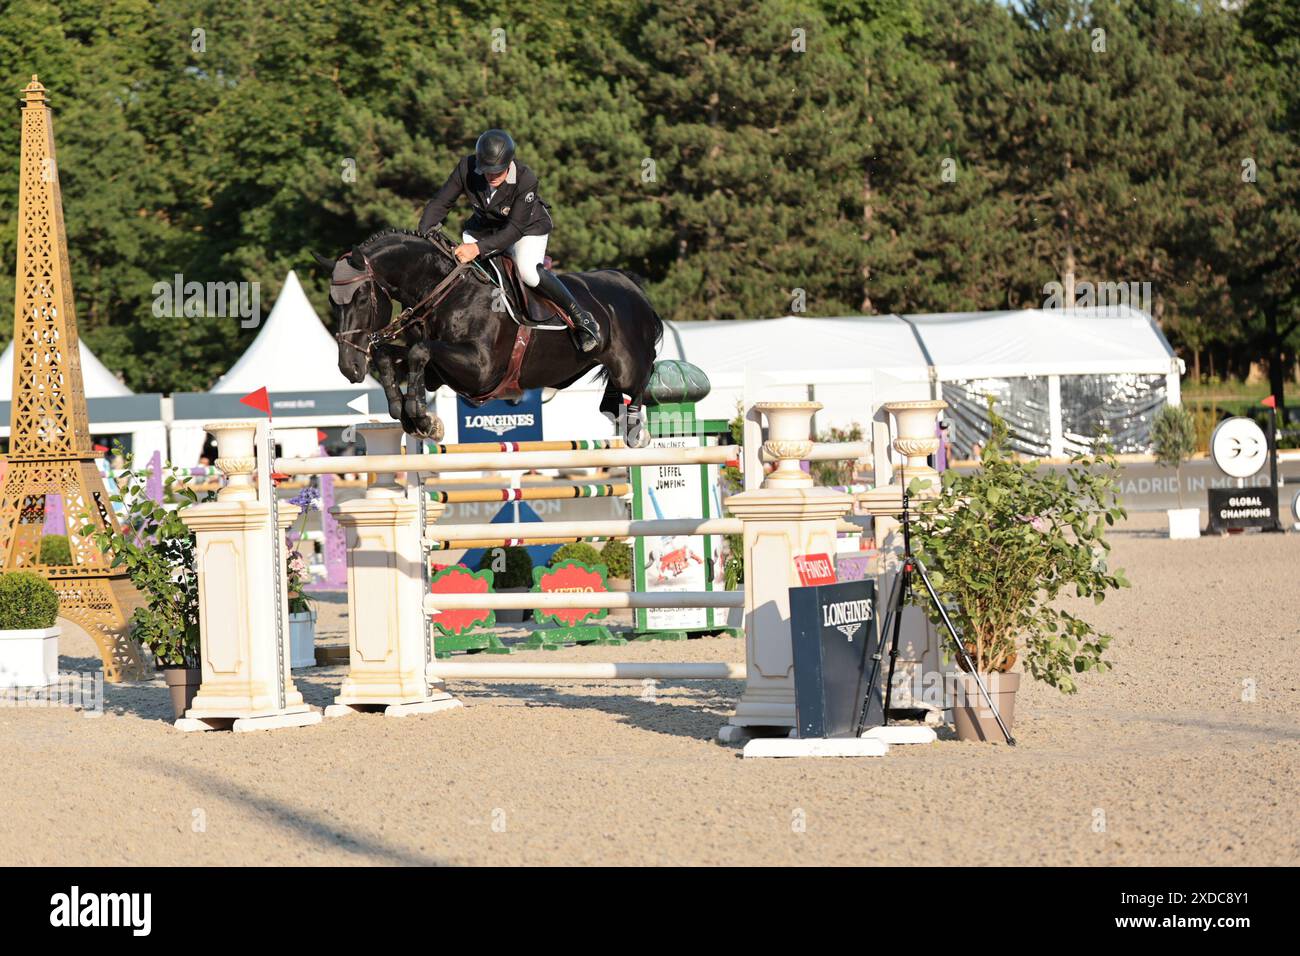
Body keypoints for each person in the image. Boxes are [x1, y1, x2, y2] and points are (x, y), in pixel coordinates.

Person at [418, 129, 601, 353]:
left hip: (526, 229)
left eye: (498, 171)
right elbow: (441, 202)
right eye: (487, 171)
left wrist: (477, 249)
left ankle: (581, 318)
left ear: (509, 162)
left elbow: (513, 229)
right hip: (485, 228)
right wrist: (424, 232)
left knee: (527, 272)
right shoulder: (466, 167)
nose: (492, 176)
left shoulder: (526, 179)